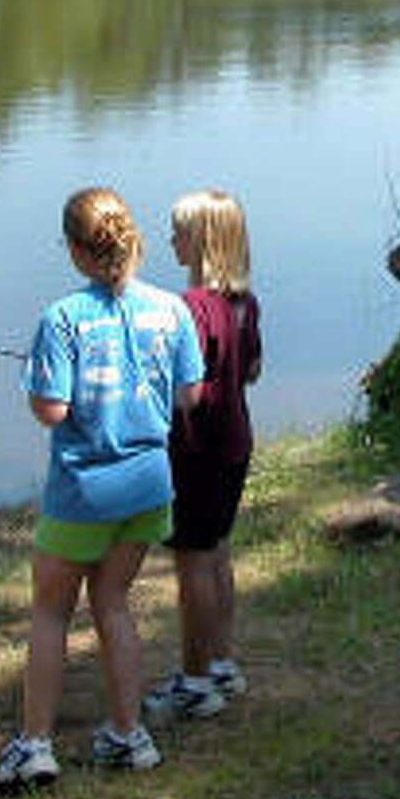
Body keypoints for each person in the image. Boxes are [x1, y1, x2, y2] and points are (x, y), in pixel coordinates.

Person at [0, 186, 205, 792]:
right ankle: (129, 735)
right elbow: (190, 395)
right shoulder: (172, 309)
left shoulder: (62, 318)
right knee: (113, 604)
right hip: (148, 487)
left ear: (75, 251)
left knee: (51, 613)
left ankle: (35, 746)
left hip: (84, 491)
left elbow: (52, 410)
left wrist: (37, 382)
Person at [143, 189, 261, 723]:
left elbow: (181, 390)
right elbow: (252, 370)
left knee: (192, 561)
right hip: (236, 443)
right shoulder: (245, 302)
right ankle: (220, 664)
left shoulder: (188, 308)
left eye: (178, 231)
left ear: (201, 242)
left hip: (195, 451)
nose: (170, 239)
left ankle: (193, 684)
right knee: (217, 552)